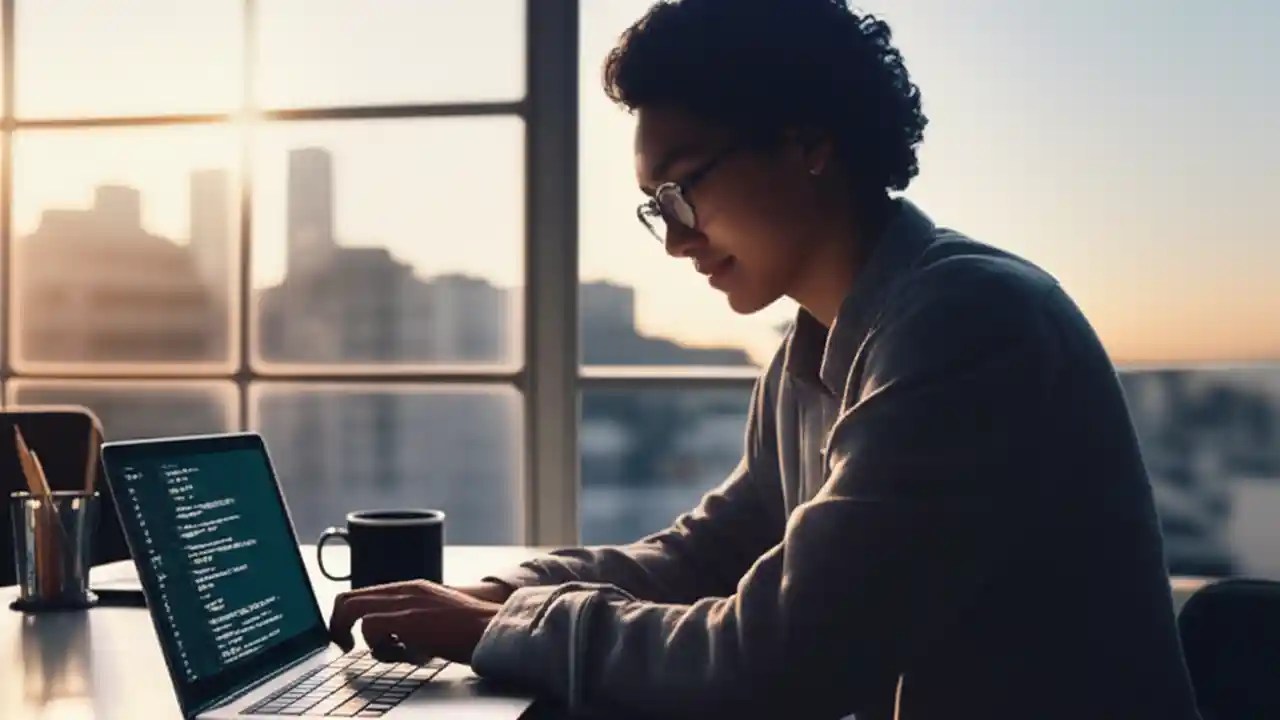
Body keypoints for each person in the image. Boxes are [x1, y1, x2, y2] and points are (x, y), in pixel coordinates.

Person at [329, 0, 1202, 717]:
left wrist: (499, 627)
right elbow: (706, 556)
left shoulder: (968, 322)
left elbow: (780, 661)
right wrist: (496, 591)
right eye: (653, 207)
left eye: (681, 188)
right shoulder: (815, 344)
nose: (673, 240)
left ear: (808, 142)